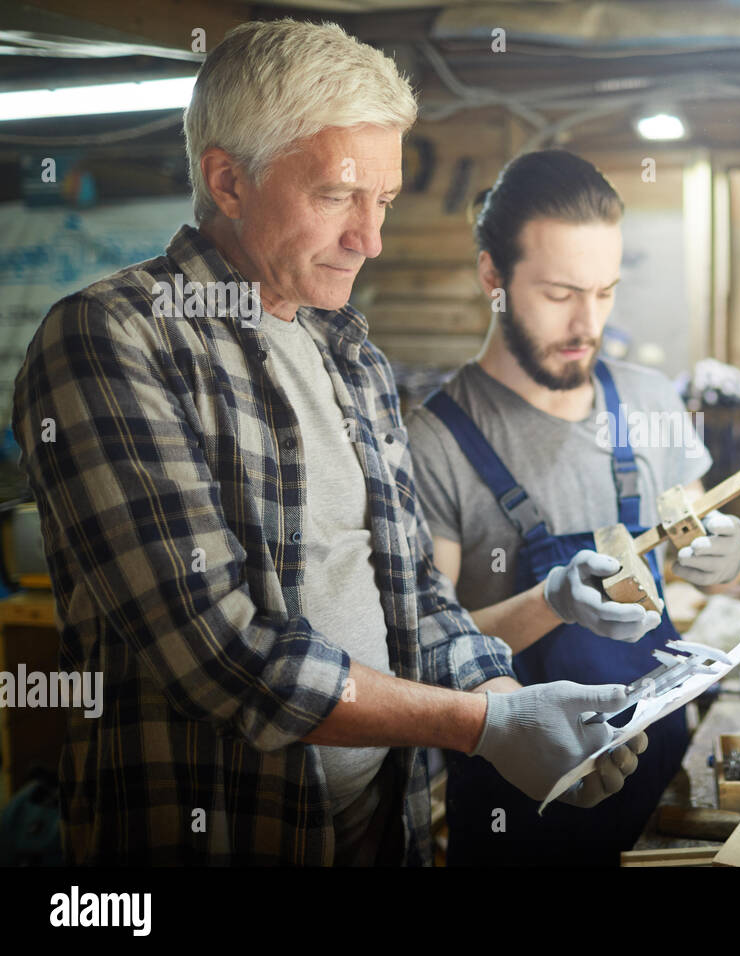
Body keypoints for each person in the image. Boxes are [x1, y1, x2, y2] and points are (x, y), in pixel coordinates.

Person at [10, 20, 644, 867]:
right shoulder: (111, 340)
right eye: (338, 196)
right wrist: (484, 724)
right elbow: (221, 650)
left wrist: (517, 705)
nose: (370, 240)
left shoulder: (349, 354)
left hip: (384, 829)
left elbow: (417, 594)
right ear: (229, 181)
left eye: (381, 202)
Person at [406, 150, 740, 865]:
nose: (587, 323)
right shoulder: (431, 441)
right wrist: (551, 603)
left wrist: (722, 557)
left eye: (605, 291)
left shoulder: (650, 400)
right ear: (492, 277)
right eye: (560, 292)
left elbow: (697, 549)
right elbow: (420, 662)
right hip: (520, 819)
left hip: (665, 803)